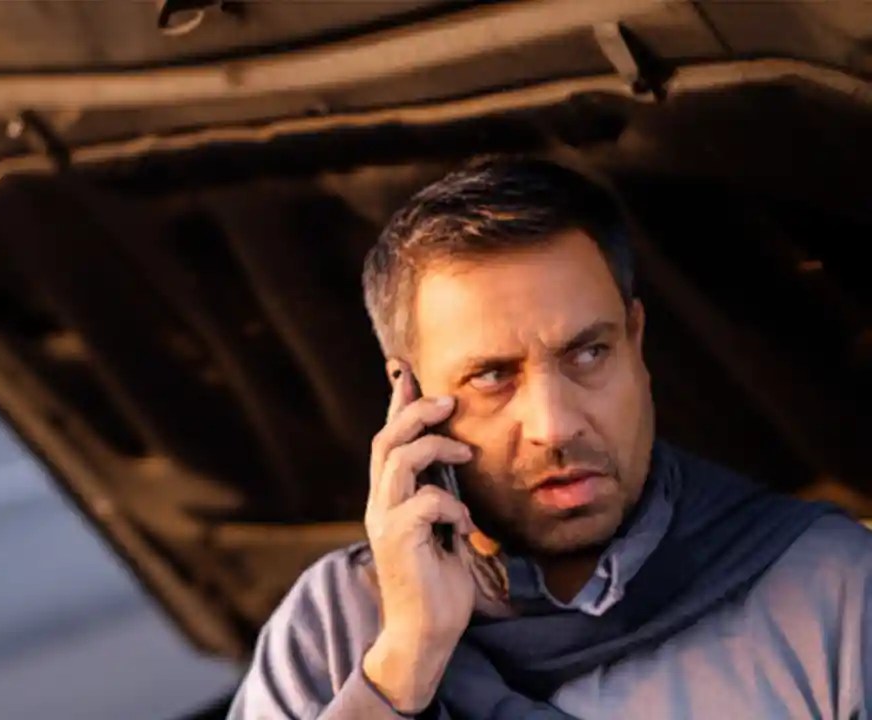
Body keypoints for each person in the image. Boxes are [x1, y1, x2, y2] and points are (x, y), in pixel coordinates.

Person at [226, 156, 872, 719]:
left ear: (636, 343)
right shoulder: (334, 625)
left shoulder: (831, 589)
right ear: (410, 400)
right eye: (491, 376)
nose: (555, 425)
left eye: (588, 353)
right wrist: (403, 666)